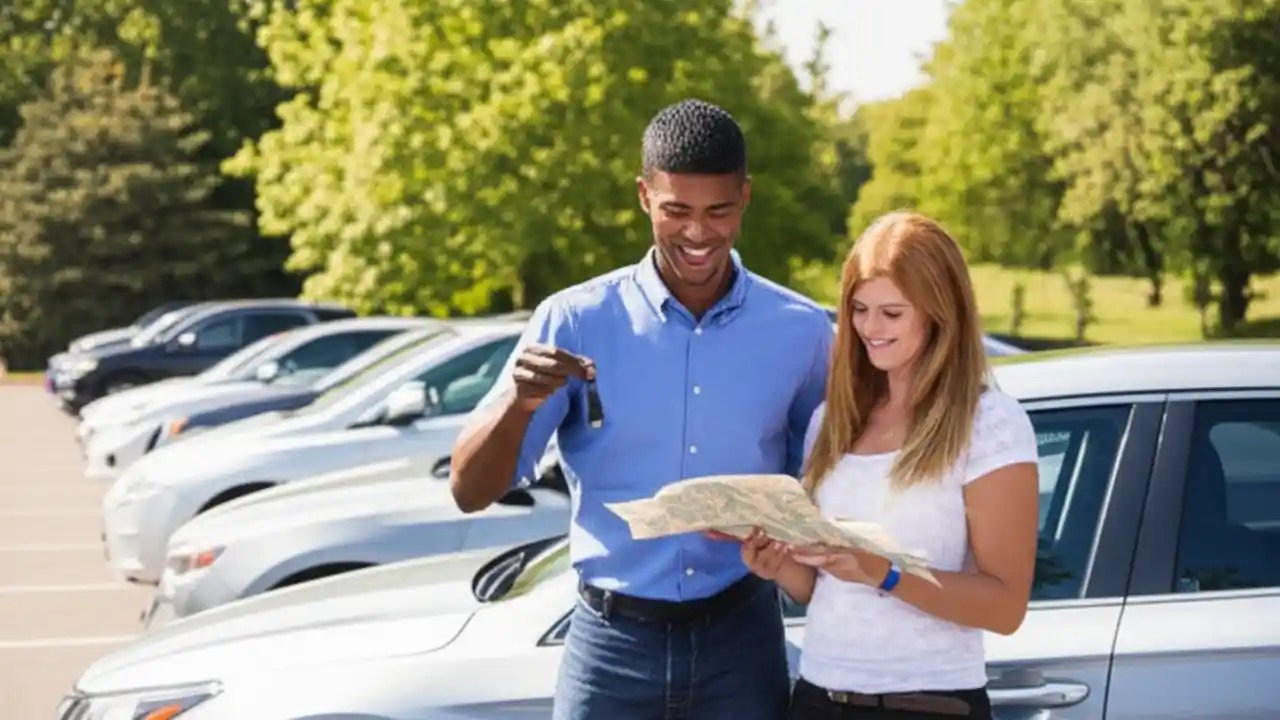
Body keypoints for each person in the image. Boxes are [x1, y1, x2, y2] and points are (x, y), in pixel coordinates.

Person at [449, 98, 834, 719]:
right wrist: (519, 406)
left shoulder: (802, 330)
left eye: (719, 211)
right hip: (610, 647)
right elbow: (470, 491)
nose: (698, 233)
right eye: (675, 210)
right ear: (643, 196)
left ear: (745, 197)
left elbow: (831, 484)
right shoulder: (573, 320)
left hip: (743, 639)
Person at [740, 211, 1040, 720]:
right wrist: (781, 566)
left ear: (938, 313)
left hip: (926, 704)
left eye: (892, 313)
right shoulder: (833, 420)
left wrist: (885, 573)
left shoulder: (990, 423)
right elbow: (822, 590)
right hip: (818, 697)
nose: (869, 329)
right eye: (859, 309)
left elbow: (1005, 607)